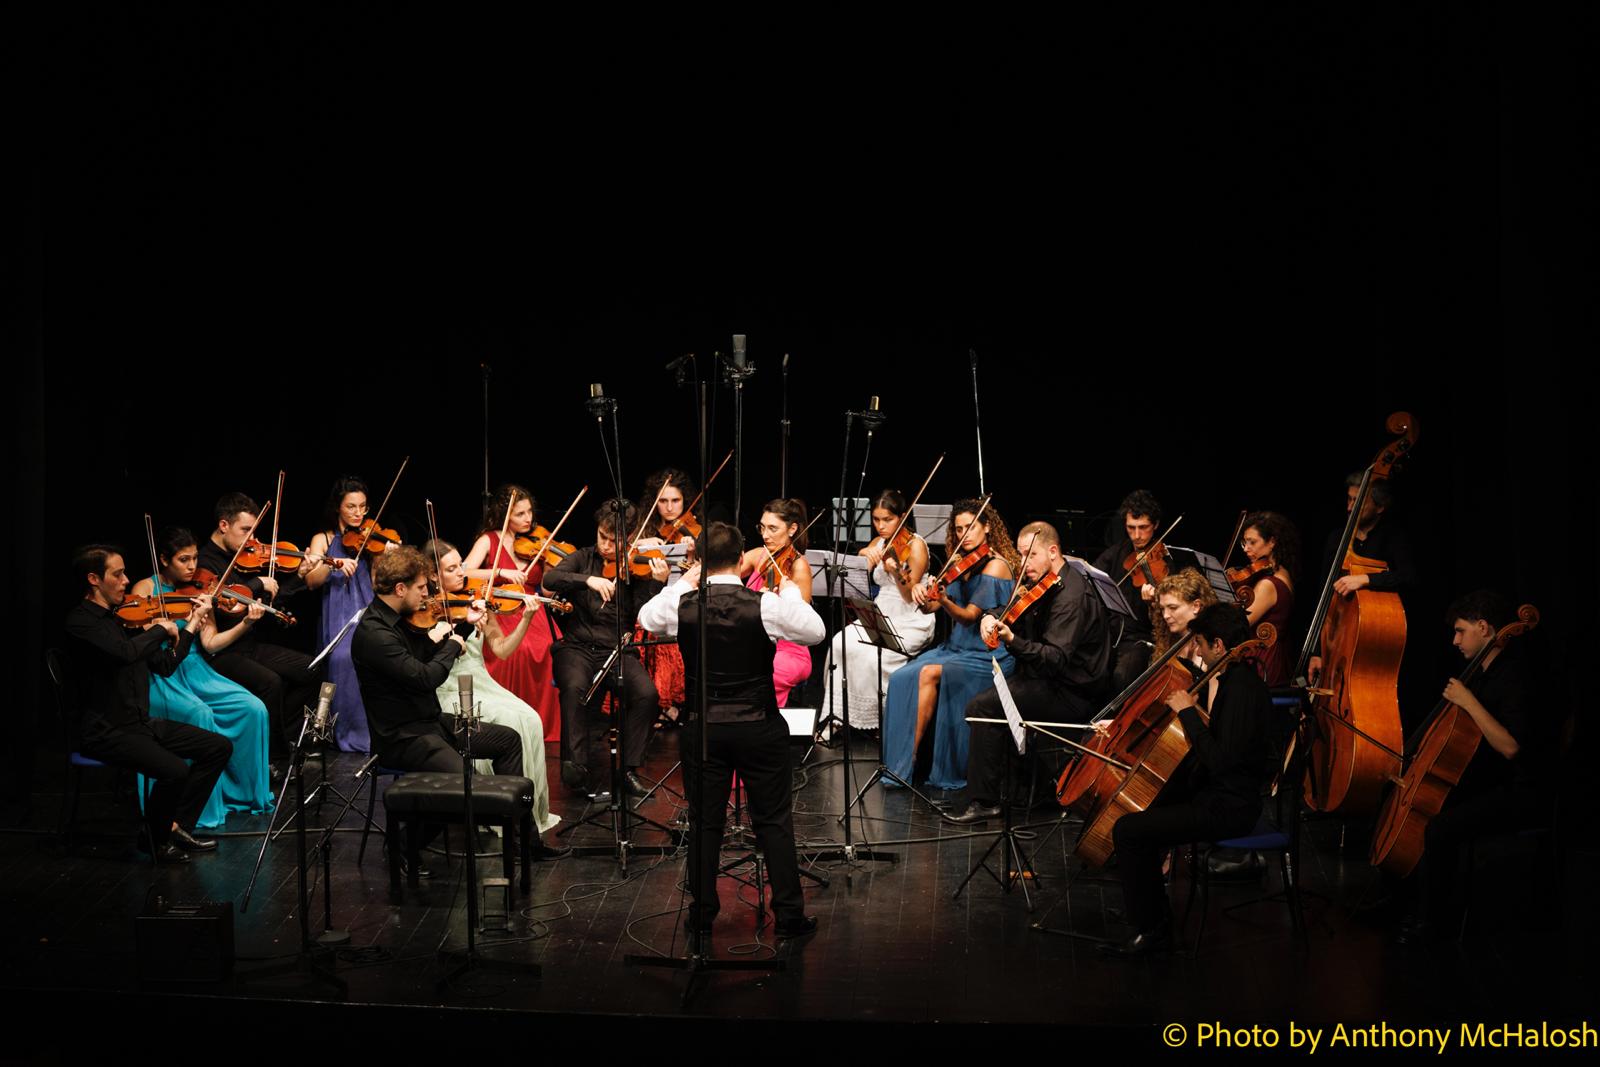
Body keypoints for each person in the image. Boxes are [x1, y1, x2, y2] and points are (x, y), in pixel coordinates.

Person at [637, 521, 823, 941]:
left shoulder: (683, 603)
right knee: (773, 820)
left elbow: (646, 617)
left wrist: (682, 582)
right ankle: (789, 916)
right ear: (742, 560)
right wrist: (790, 592)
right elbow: (815, 631)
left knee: (705, 823)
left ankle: (702, 914)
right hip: (758, 726)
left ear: (701, 561)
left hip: (704, 729)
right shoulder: (765, 604)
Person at [1102, 602, 1277, 957]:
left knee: (1129, 831)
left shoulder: (1241, 690)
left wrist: (1188, 714)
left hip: (1229, 808)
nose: (1196, 650)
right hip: (1217, 796)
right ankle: (1148, 908)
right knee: (1146, 813)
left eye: (1200, 643)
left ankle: (1153, 930)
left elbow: (1220, 761)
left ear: (1218, 645)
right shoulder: (1233, 680)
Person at [63, 545, 232, 863]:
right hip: (105, 730)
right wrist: (158, 628)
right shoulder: (81, 623)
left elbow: (165, 665)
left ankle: (172, 828)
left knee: (218, 747)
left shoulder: (122, 618)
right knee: (175, 771)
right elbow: (124, 653)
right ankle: (155, 839)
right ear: (94, 579)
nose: (126, 580)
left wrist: (191, 624)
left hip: (138, 723)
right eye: (117, 574)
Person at [1395, 590, 1543, 945]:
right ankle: (1411, 901)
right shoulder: (1480, 673)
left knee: (1439, 828)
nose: (1455, 640)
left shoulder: (1514, 676)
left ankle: (1435, 924)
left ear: (1485, 628)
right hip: (1486, 781)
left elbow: (1510, 747)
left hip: (1518, 790)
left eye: (1461, 631)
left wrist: (1468, 701)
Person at [947, 521, 1111, 823]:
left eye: (1031, 555)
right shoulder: (1045, 581)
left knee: (982, 708)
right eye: (1021, 555)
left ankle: (985, 801)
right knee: (986, 702)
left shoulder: (1071, 597)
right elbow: (1013, 607)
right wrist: (989, 616)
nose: (1023, 563)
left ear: (1053, 551)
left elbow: (1054, 659)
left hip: (1071, 692)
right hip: (1047, 679)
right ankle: (1007, 790)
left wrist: (1012, 640)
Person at [130, 527, 275, 828]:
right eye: (183, 560)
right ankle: (196, 809)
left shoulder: (200, 589)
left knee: (253, 708)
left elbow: (210, 644)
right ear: (164, 560)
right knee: (200, 714)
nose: (192, 566)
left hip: (197, 669)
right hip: (163, 673)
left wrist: (246, 623)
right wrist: (185, 624)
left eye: (195, 558)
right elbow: (149, 643)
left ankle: (244, 795)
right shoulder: (145, 588)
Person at [881, 498, 1018, 792]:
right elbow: (929, 607)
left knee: (927, 672)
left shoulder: (996, 566)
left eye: (970, 527)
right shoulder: (958, 562)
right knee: (901, 676)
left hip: (986, 653)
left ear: (987, 527)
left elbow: (969, 617)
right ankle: (902, 762)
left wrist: (943, 600)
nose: (964, 534)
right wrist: (919, 590)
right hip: (955, 648)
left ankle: (909, 761)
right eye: (958, 529)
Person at [350, 546, 523, 777]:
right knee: (471, 781)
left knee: (508, 740)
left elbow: (423, 656)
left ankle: (513, 802)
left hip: (431, 724)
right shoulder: (376, 634)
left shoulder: (402, 617)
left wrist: (466, 623)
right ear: (400, 589)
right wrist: (452, 645)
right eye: (421, 587)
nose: (426, 594)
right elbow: (425, 678)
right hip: (403, 739)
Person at [424, 539, 559, 833]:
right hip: (448, 690)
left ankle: (525, 814)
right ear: (433, 575)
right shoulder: (425, 612)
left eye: (461, 565)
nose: (462, 572)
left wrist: (526, 619)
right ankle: (498, 814)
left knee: (531, 719)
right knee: (510, 721)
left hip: (482, 683)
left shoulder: (475, 601)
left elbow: (502, 650)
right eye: (451, 569)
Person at [541, 499, 670, 796]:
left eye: (614, 540)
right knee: (573, 687)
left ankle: (628, 769)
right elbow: (550, 578)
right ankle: (576, 768)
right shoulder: (582, 558)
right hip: (577, 647)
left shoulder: (635, 568)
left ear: (630, 537)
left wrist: (657, 584)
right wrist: (587, 580)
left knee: (647, 695)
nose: (607, 546)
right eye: (603, 536)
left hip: (617, 650)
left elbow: (642, 614)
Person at [198, 492, 322, 765]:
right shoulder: (204, 563)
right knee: (271, 682)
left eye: (253, 531)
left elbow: (268, 604)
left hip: (249, 645)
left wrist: (299, 575)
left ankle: (285, 737)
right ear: (223, 525)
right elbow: (222, 598)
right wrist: (257, 584)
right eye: (245, 530)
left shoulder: (243, 556)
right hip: (223, 651)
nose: (252, 540)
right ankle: (274, 757)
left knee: (312, 668)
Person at [821, 489, 936, 732]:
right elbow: (855, 575)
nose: (881, 526)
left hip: (910, 618)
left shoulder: (916, 546)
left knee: (871, 657)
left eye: (888, 520)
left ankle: (877, 721)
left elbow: (910, 596)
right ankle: (838, 716)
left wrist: (895, 570)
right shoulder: (878, 542)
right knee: (839, 643)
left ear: (902, 517)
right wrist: (863, 554)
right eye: (876, 519)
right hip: (878, 612)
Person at [1308, 474, 1418, 688]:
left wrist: (1366, 579)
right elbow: (1324, 596)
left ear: (1380, 507)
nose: (1350, 507)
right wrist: (1317, 651)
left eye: (1358, 502)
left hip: (1374, 639)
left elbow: (1409, 577)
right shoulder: (1337, 538)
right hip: (1337, 639)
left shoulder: (1394, 538)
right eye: (1349, 499)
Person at [304, 477, 377, 752]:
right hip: (337, 612)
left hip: (367, 606)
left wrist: (386, 557)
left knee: (375, 659)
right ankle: (351, 732)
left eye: (362, 507)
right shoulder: (322, 539)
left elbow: (380, 581)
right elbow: (311, 581)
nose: (358, 513)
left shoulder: (370, 538)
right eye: (351, 507)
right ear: (338, 507)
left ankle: (378, 733)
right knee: (342, 659)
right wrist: (333, 564)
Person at [633, 468, 699, 726]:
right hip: (648, 598)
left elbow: (702, 576)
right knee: (650, 628)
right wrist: (639, 545)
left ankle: (671, 703)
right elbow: (626, 565)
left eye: (676, 500)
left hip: (683, 603)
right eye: (663, 501)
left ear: (685, 501)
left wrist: (692, 555)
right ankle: (657, 703)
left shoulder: (693, 532)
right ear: (654, 502)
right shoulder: (644, 531)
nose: (670, 508)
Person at [738, 498, 816, 707]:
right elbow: (726, 572)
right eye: (762, 527)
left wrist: (769, 604)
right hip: (755, 645)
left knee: (755, 673)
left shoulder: (799, 566)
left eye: (773, 528)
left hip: (788, 650)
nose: (765, 535)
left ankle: (764, 720)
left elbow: (800, 623)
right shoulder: (759, 555)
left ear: (792, 529)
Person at [1092, 490, 1164, 692]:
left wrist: (1153, 604)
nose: (1137, 536)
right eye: (1131, 528)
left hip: (1142, 637)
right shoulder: (1118, 551)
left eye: (1143, 528)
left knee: (1122, 675)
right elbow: (1092, 574)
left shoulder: (1165, 558)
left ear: (1156, 525)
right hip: (1112, 631)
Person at [1235, 511, 1298, 687]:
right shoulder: (1284, 573)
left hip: (1261, 663)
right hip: (1275, 658)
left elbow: (1239, 624)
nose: (1246, 549)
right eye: (1244, 542)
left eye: (1252, 542)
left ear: (1272, 542)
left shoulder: (1268, 585)